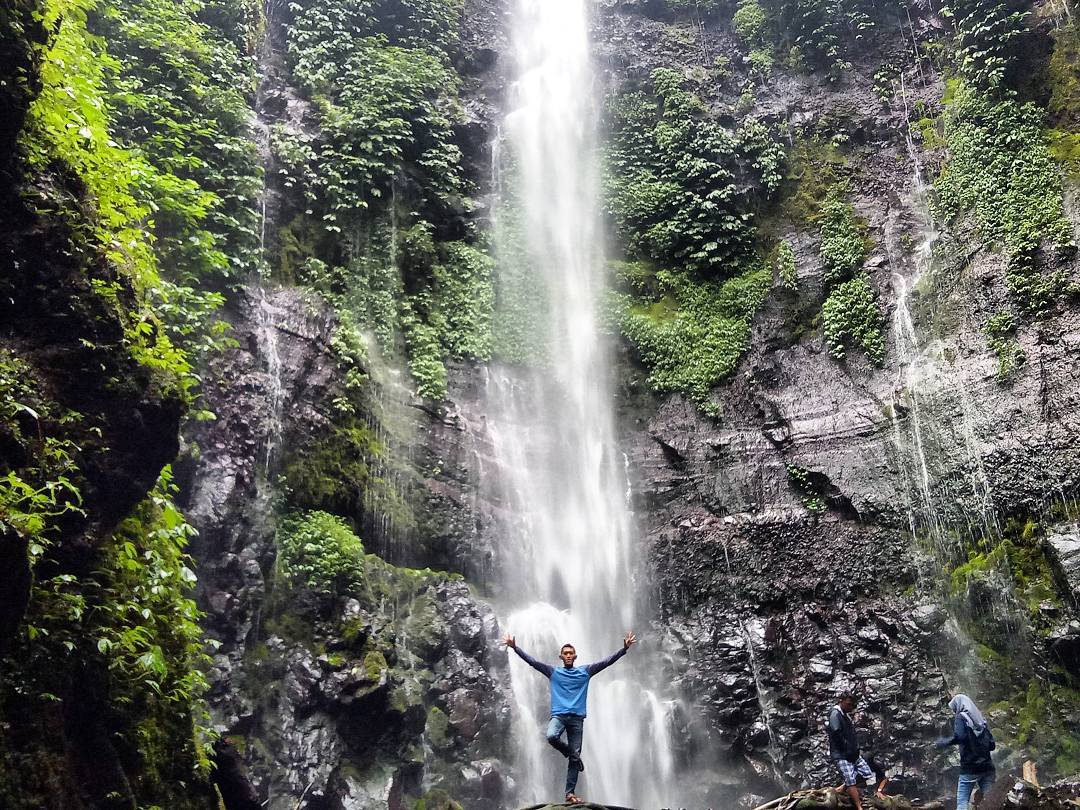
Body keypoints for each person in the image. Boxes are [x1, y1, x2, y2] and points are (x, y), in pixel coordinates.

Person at [504, 631, 636, 805]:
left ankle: (570, 793)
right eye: (565, 653)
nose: (567, 655)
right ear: (561, 656)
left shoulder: (585, 671)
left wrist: (624, 649)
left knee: (574, 759)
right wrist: (515, 648)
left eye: (570, 653)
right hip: (559, 716)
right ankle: (571, 753)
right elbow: (533, 662)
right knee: (552, 736)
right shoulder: (553, 672)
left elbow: (606, 662)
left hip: (577, 720)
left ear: (575, 656)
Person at [935, 694, 996, 810]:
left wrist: (944, 742)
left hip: (970, 767)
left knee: (962, 802)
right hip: (987, 767)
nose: (955, 712)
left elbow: (960, 737)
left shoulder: (960, 717)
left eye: (954, 709)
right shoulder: (980, 719)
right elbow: (992, 745)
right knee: (990, 801)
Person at [826, 693, 885, 810]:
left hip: (853, 754)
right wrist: (846, 747)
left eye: (852, 705)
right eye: (848, 704)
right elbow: (836, 731)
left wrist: (854, 748)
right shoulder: (835, 714)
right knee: (851, 782)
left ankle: (843, 788)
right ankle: (859, 807)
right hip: (842, 755)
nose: (850, 707)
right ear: (840, 700)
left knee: (867, 773)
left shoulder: (845, 715)